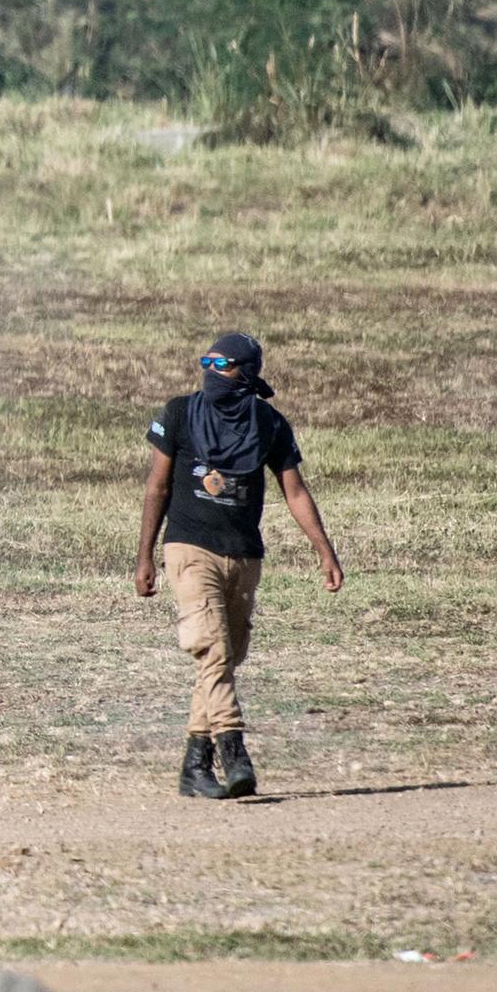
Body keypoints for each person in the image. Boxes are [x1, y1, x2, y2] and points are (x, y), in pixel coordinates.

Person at [132, 330, 342, 800]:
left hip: (245, 554)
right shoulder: (179, 413)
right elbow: (157, 488)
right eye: (206, 362)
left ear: (246, 373)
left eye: (221, 365)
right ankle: (234, 749)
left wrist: (325, 552)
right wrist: (145, 555)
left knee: (223, 659)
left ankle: (194, 765)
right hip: (189, 548)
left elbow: (295, 491)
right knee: (211, 649)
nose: (211, 372)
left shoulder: (268, 424)